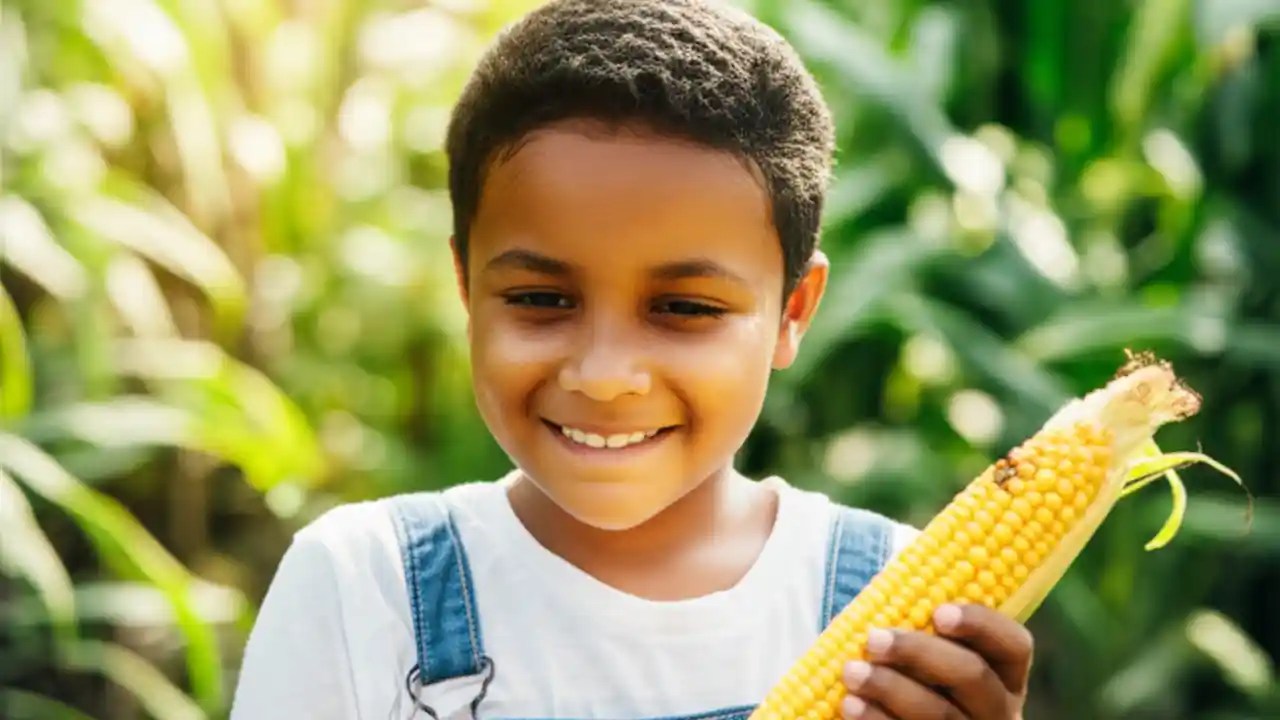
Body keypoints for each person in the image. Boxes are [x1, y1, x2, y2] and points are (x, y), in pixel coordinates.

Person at [229, 1, 1035, 718]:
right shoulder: (368, 592)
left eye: (684, 309)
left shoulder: (898, 606)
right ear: (466, 287)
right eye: (542, 301)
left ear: (793, 311)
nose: (605, 372)